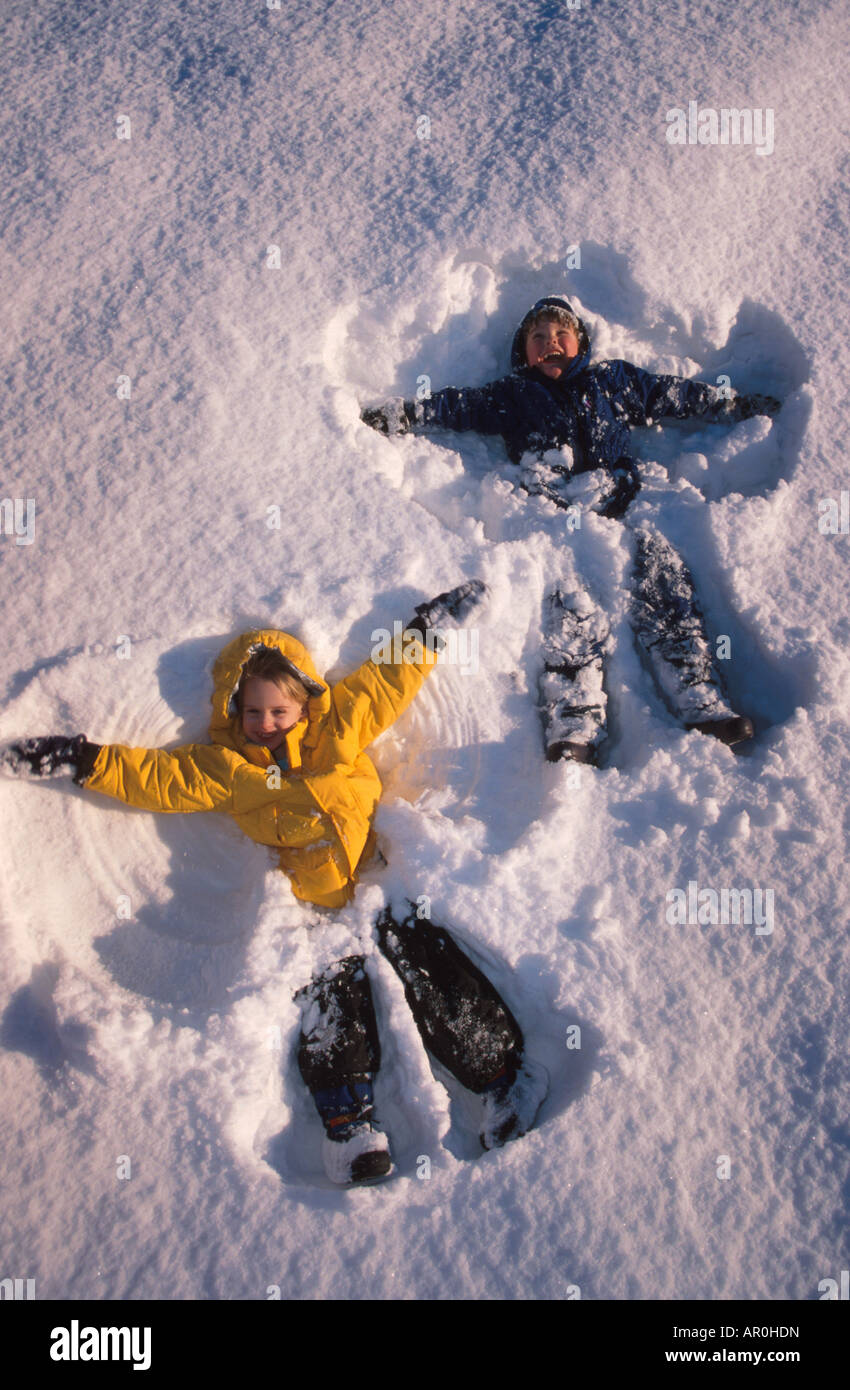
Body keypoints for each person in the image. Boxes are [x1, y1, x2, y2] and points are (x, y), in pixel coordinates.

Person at [1, 581, 547, 1186]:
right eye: (252, 711)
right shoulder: (226, 769)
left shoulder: (336, 725)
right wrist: (80, 759)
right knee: (331, 1000)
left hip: (379, 880)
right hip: (311, 909)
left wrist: (429, 627)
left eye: (278, 711)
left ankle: (500, 1079)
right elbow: (153, 776)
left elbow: (388, 680)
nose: (265, 723)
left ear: (304, 705)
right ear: (234, 711)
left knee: (430, 965)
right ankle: (349, 1126)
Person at [361, 295, 783, 762]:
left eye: (561, 334)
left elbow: (677, 395)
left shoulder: (614, 381)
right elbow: (458, 406)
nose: (550, 343)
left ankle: (700, 697)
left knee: (664, 582)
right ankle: (575, 721)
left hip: (623, 502)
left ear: (580, 341)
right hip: (553, 513)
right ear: (525, 352)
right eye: (538, 337)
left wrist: (737, 404)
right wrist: (407, 414)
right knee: (568, 605)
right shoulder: (514, 395)